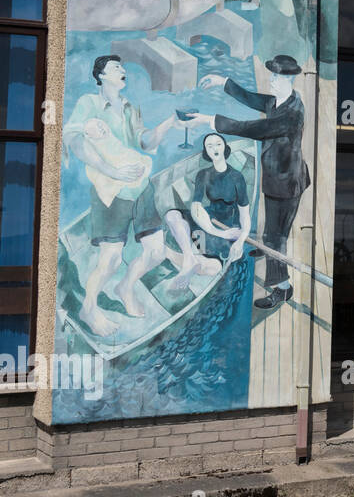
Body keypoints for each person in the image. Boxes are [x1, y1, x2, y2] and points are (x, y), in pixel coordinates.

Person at [64, 54, 194, 334]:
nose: (123, 70)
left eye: (122, 67)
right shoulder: (89, 104)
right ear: (100, 76)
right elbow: (74, 141)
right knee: (110, 260)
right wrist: (110, 170)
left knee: (157, 252)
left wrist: (170, 122)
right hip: (110, 191)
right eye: (115, 68)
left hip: (140, 185)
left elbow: (145, 142)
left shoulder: (129, 107)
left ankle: (126, 287)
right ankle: (89, 308)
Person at [192, 55, 309, 310]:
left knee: (277, 236)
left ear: (289, 79)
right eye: (272, 76)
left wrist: (209, 120)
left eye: (276, 77)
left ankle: (283, 288)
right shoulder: (278, 101)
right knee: (273, 230)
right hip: (276, 179)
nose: (271, 80)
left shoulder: (292, 113)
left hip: (286, 184)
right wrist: (224, 82)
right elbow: (251, 98)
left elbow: (252, 129)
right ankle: (268, 248)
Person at [187, 132, 250, 265]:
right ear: (206, 152)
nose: (214, 149)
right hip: (211, 219)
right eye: (209, 146)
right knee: (197, 244)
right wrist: (212, 230)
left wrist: (241, 239)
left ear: (225, 148)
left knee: (229, 255)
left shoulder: (236, 177)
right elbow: (196, 206)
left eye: (218, 144)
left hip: (231, 223)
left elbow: (245, 214)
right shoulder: (203, 174)